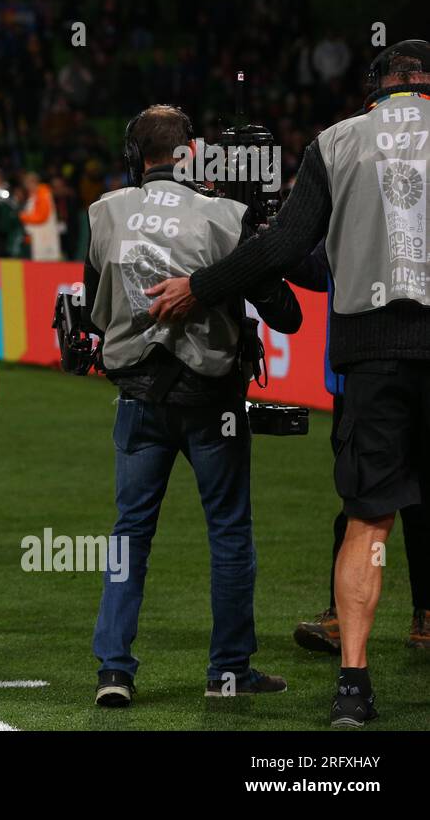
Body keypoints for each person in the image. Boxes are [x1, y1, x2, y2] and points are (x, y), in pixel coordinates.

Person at [146, 40, 430, 727]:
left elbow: (284, 249)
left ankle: (353, 687)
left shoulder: (338, 141)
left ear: (376, 88)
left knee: (368, 520)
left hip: (374, 356)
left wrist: (201, 285)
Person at [85, 105, 301, 709]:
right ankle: (228, 672)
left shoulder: (104, 210)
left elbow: (95, 306)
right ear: (194, 153)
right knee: (229, 536)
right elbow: (286, 312)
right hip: (212, 400)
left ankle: (114, 671)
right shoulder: (226, 215)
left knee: (129, 537)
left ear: (136, 155)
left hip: (137, 398)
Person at [286, 243, 430, 654]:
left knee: (420, 498)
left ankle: (425, 612)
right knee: (358, 500)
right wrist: (270, 243)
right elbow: (316, 269)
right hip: (358, 375)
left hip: (404, 365)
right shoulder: (349, 195)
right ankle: (340, 613)